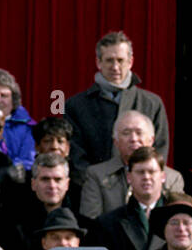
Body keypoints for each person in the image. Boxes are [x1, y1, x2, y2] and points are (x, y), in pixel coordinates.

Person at [65, 31, 170, 177]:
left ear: (131, 62)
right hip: (93, 192)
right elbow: (76, 156)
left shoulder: (152, 104)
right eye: (109, 60)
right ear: (98, 63)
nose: (115, 67)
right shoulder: (76, 106)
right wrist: (96, 186)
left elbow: (159, 151)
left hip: (141, 191)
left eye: (120, 60)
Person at [79, 111, 188, 220]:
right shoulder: (97, 175)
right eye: (126, 133)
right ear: (116, 142)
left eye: (139, 132)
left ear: (151, 140)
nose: (133, 139)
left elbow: (178, 221)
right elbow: (91, 222)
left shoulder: (172, 178)